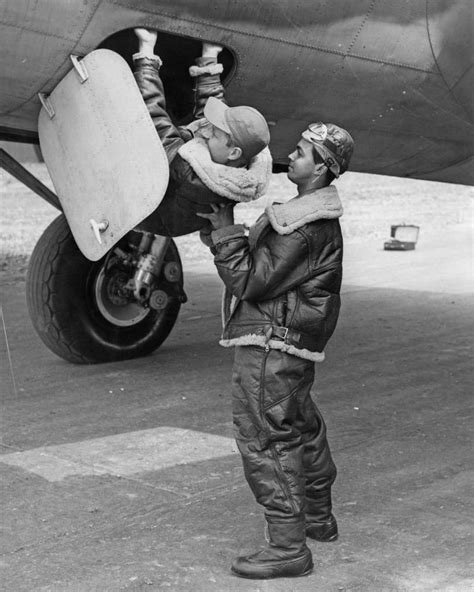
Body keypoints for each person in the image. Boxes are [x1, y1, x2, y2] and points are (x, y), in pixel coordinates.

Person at [197, 121, 354, 579]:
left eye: (303, 152)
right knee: (300, 427)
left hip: (271, 343)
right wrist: (223, 235)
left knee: (265, 436)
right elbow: (263, 268)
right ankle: (318, 519)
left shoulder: (305, 227)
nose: (294, 155)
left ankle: (288, 547)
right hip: (289, 344)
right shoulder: (306, 217)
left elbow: (249, 281)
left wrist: (226, 232)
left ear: (322, 169)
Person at [132, 28, 272, 240]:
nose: (206, 133)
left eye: (214, 134)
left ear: (234, 153)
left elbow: (153, 118)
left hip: (151, 217)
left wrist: (147, 56)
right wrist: (209, 58)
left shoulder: (191, 174)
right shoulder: (238, 160)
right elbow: (214, 119)